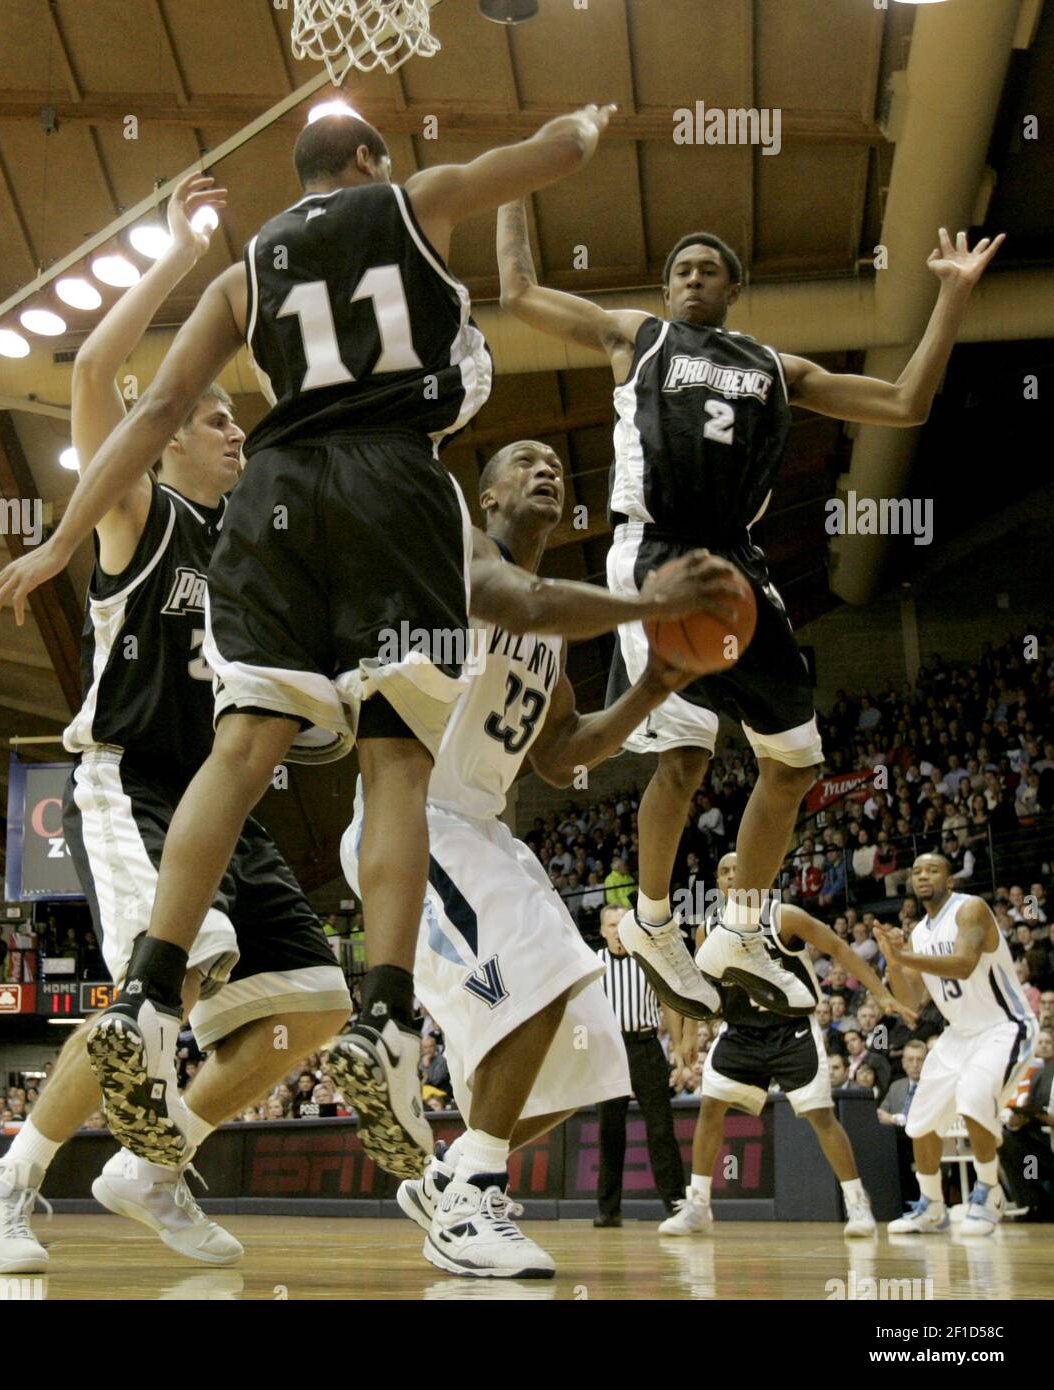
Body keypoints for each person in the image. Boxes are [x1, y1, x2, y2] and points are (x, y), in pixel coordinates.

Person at [0, 102, 626, 1179]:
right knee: (387, 766)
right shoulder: (410, 208)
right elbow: (117, 393)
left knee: (284, 927)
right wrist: (582, 132)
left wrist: (53, 541)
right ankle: (377, 1015)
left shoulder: (248, 377)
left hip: (269, 607)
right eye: (216, 422)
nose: (226, 421)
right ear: (371, 163)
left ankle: (156, 1085)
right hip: (169, 731)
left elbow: (159, 398)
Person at [0, 176, 352, 1275]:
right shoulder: (138, 512)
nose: (234, 433)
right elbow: (92, 372)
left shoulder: (248, 557)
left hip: (223, 802)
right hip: (128, 783)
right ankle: (7, 1183)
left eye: (237, 420)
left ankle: (154, 1159)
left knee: (317, 1003)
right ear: (165, 438)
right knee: (160, 982)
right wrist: (184, 249)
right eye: (215, 417)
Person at [497, 199, 1006, 1022]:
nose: (694, 278)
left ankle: (738, 930)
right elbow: (519, 292)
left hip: (739, 565)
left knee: (795, 765)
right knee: (685, 757)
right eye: (681, 270)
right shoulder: (639, 336)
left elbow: (907, 401)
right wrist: (514, 190)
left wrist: (952, 294)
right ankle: (655, 923)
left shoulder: (778, 369)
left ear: (733, 287)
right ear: (665, 290)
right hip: (657, 552)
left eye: (709, 269)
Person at [342, 440, 726, 1276]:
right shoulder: (464, 553)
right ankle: (471, 1200)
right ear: (483, 498)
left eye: (556, 461)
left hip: (479, 832)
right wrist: (642, 602)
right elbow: (524, 599)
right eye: (522, 461)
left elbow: (560, 755)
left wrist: (652, 687)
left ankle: (448, 1175)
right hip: (411, 826)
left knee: (591, 1050)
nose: (547, 467)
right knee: (545, 968)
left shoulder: (547, 632)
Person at [659, 853, 915, 1239]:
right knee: (710, 1107)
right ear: (718, 883)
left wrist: (881, 994)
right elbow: (701, 987)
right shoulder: (707, 928)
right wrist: (689, 1034)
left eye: (738, 869)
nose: (731, 876)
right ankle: (698, 1204)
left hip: (791, 1028)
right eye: (724, 872)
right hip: (741, 1031)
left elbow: (840, 950)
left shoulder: (784, 917)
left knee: (820, 1115)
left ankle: (857, 1203)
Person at [877, 852, 1038, 1236]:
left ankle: (990, 1193)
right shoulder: (919, 933)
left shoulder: (971, 910)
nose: (923, 876)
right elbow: (913, 1001)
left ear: (950, 880)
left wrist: (907, 955)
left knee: (973, 1097)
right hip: (959, 1034)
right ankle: (932, 1206)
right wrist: (896, 964)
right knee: (919, 1120)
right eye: (916, 871)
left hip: (1004, 1026)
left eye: (933, 870)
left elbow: (964, 963)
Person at [593, 904, 686, 1227]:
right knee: (610, 1131)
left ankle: (676, 1203)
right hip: (609, 1050)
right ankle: (608, 1208)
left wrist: (676, 1044)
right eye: (611, 925)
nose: (617, 930)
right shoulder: (593, 964)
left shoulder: (647, 959)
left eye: (622, 924)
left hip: (646, 1046)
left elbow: (669, 1003)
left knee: (661, 1127)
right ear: (603, 930)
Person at [998, 1026, 1053, 1221]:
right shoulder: (1031, 1074)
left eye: (1048, 1042)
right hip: (1035, 1137)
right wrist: (1016, 1120)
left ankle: (1040, 1203)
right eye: (1041, 1042)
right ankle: (1034, 1202)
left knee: (1026, 1151)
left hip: (1047, 1136)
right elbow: (1021, 1106)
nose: (1044, 1046)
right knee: (1007, 1141)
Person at [878, 1039, 928, 1205]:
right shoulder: (896, 1086)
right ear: (903, 1063)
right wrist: (889, 1118)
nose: (915, 1064)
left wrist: (893, 1119)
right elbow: (881, 1113)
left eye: (919, 1059)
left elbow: (924, 1118)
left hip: (924, 1140)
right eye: (910, 1059)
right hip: (896, 1141)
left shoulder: (933, 1086)